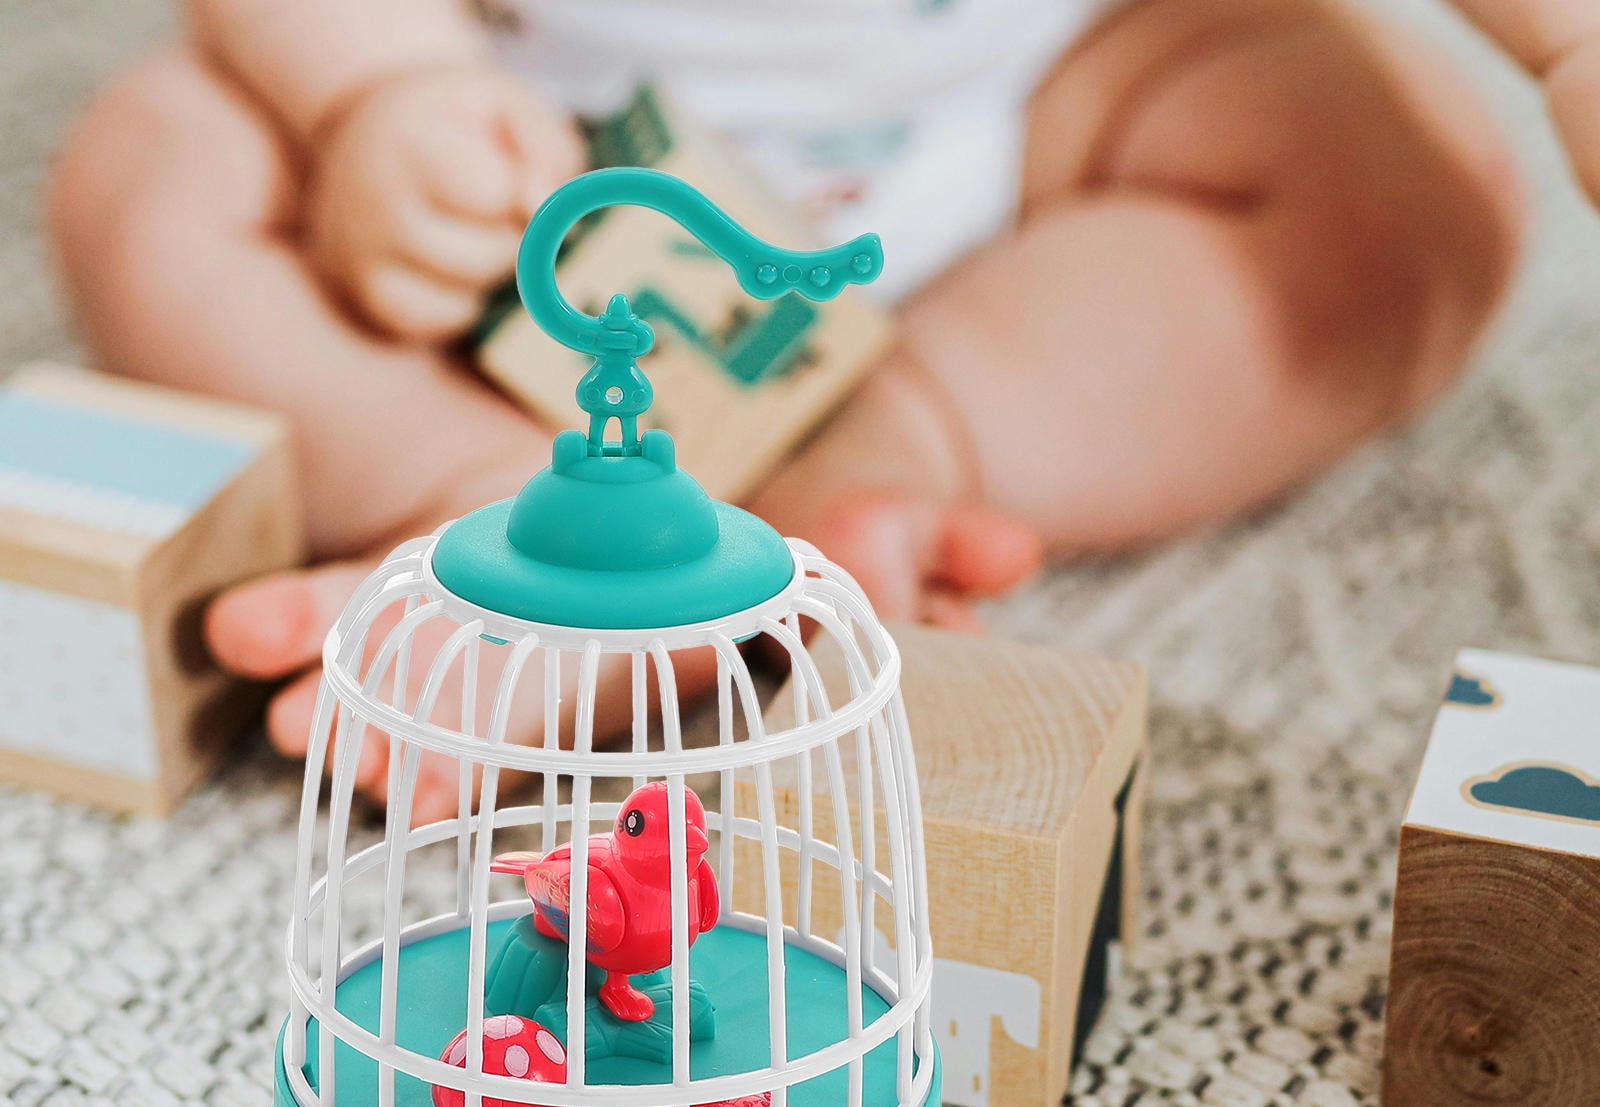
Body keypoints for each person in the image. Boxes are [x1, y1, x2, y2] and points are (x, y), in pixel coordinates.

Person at [51, 0, 1564, 817]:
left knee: (1403, 182)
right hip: (521, 129)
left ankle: (901, 441)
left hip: (1035, 89)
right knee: (156, 171)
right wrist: (370, 90)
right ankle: (518, 515)